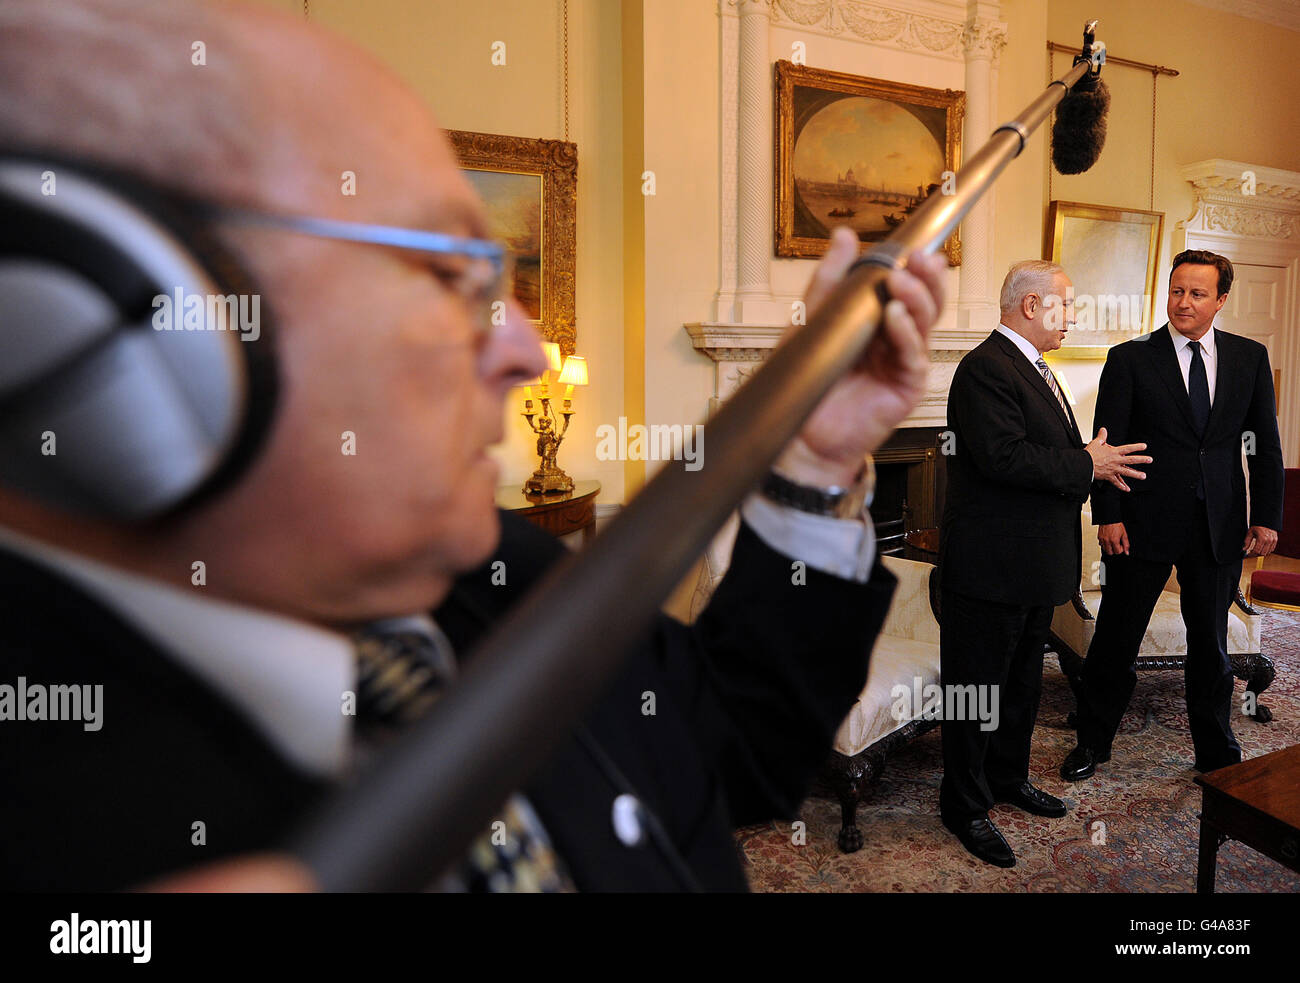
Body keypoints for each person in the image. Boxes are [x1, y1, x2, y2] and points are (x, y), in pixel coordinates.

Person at [0, 0, 946, 891]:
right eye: (449, 269)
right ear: (116, 317)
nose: (526, 348)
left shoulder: (494, 563)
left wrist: (817, 464)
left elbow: (735, 747)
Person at [937, 260, 1150, 867]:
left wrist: (1088, 462)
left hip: (1032, 569)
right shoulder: (985, 368)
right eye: (1066, 304)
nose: (1074, 316)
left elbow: (1045, 458)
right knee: (975, 693)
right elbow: (1005, 459)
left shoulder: (1036, 369)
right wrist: (1088, 464)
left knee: (1022, 688)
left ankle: (1007, 780)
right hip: (988, 570)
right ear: (1031, 306)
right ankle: (965, 807)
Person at [1061, 250, 1284, 781]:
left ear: (1221, 300)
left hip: (1220, 527)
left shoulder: (1249, 359)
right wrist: (1107, 516)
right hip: (1140, 524)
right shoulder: (1131, 358)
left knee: (1210, 643)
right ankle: (1093, 740)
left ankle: (1215, 752)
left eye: (1197, 293)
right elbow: (1106, 446)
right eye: (1176, 290)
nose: (1183, 302)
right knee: (1117, 638)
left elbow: (1264, 448)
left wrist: (1266, 517)